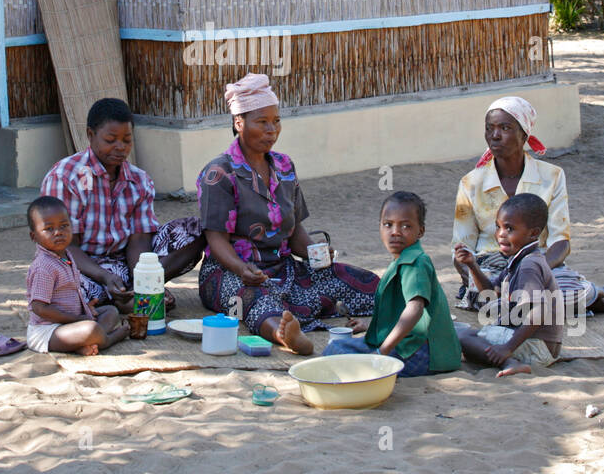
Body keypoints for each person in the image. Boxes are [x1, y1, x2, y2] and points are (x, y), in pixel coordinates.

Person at [190, 73, 379, 355]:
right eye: (262, 122)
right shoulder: (219, 174)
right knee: (256, 301)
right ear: (238, 123)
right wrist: (243, 269)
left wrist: (319, 255)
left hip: (284, 269)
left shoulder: (284, 166)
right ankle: (284, 335)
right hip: (232, 272)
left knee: (365, 283)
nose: (272, 130)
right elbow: (216, 240)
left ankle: (393, 315)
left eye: (276, 121)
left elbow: (295, 233)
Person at [452, 96, 604, 317]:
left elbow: (560, 243)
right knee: (493, 304)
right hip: (488, 268)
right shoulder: (470, 183)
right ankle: (592, 297)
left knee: (532, 298)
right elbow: (461, 249)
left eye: (505, 128)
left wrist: (530, 272)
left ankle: (600, 292)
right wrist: (476, 276)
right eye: (489, 128)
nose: (494, 135)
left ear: (524, 134)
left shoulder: (551, 176)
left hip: (538, 262)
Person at [40, 98, 205, 310]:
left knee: (195, 231)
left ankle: (135, 293)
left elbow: (139, 239)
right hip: (81, 266)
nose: (120, 147)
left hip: (123, 264)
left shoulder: (139, 180)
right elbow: (65, 246)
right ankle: (122, 299)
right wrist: (104, 276)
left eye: (127, 140)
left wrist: (143, 280)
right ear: (90, 135)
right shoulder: (66, 177)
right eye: (110, 140)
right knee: (66, 290)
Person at [323, 191, 461, 376]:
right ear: (379, 227)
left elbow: (415, 308)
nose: (395, 232)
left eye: (406, 226)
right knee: (336, 348)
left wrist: (382, 352)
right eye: (388, 225)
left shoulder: (415, 262)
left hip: (426, 353)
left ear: (420, 231)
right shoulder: (401, 260)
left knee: (341, 357)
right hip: (410, 344)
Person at [455, 193, 562, 377]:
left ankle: (510, 362)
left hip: (537, 348)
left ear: (533, 233)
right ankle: (507, 356)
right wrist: (472, 264)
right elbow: (490, 293)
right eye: (498, 227)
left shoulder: (529, 265)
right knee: (462, 332)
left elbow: (540, 311)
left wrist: (507, 349)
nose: (501, 235)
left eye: (509, 229)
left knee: (461, 336)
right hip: (532, 343)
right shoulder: (518, 259)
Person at [25, 196, 129, 356]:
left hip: (71, 323)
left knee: (111, 311)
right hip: (47, 332)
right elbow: (39, 308)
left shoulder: (66, 255)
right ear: (34, 237)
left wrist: (86, 309)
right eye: (49, 229)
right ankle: (108, 340)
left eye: (64, 226)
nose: (58, 232)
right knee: (91, 328)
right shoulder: (43, 266)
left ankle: (84, 343)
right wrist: (76, 319)